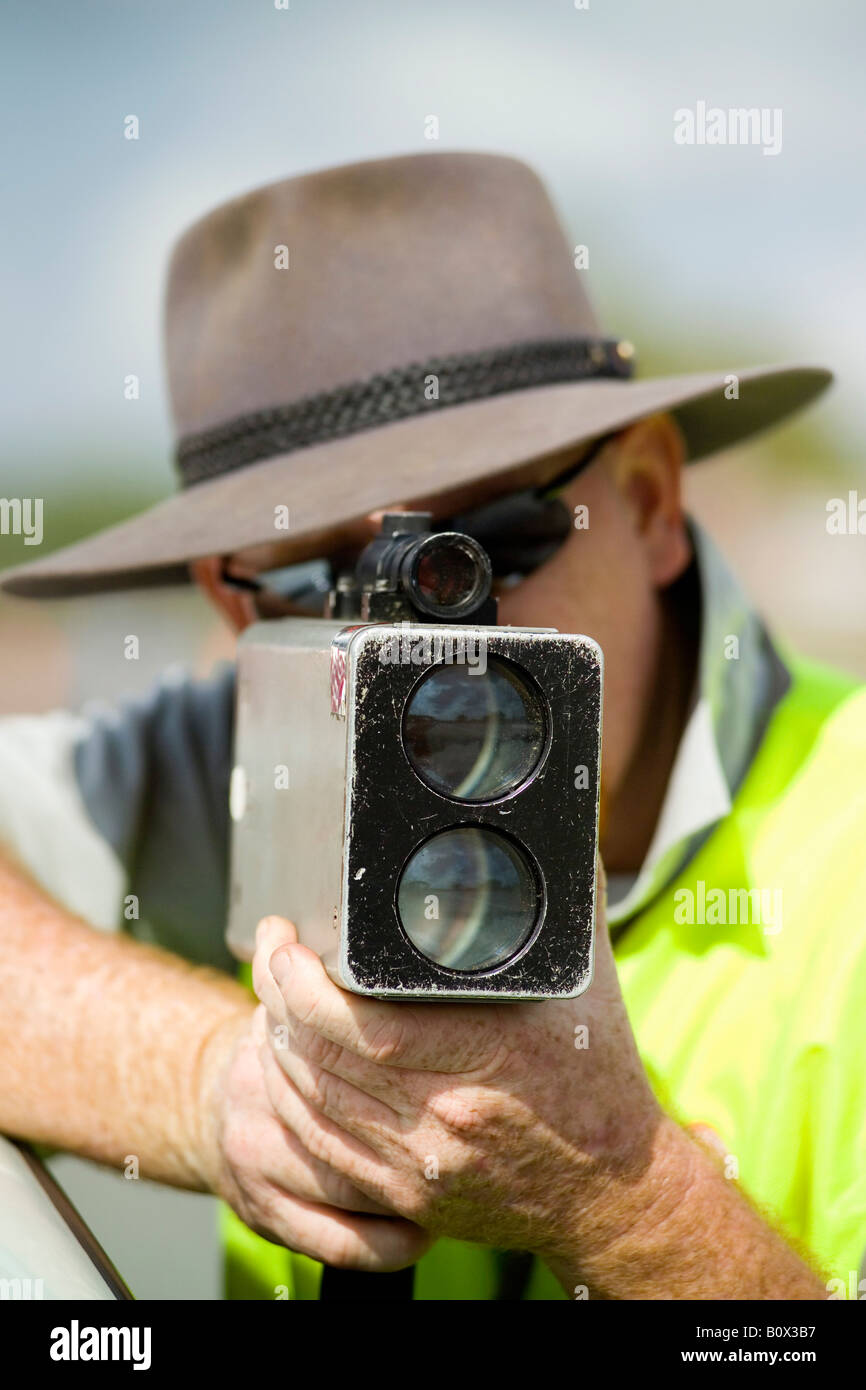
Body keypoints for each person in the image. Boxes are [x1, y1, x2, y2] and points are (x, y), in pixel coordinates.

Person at [1, 152, 863, 1301]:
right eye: (324, 581)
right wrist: (213, 1087)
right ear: (231, 601)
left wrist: (622, 1193)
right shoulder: (247, 747)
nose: (416, 645)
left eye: (485, 549)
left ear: (652, 500)